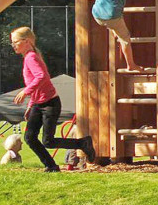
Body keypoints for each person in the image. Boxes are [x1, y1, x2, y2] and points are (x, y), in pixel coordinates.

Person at [10, 27, 97, 172]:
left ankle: (82, 143)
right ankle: (51, 166)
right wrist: (31, 105)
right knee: (30, 138)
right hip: (39, 104)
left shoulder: (31, 57)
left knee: (48, 141)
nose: (13, 46)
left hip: (49, 104)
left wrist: (26, 92)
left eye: (15, 42)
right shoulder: (28, 57)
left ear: (26, 41)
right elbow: (37, 83)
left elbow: (42, 77)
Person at [92, 0, 152, 72]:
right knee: (125, 38)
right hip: (112, 16)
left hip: (97, 14)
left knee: (113, 20)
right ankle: (131, 65)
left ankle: (114, 30)